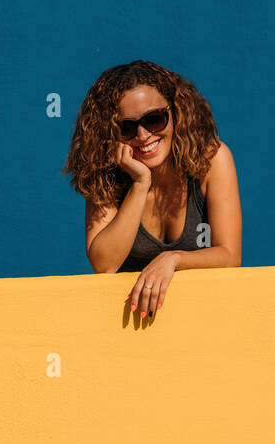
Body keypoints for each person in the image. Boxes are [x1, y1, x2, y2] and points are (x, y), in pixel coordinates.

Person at [63, 60, 242, 320]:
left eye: (154, 119)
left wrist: (172, 259)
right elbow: (104, 264)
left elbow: (230, 256)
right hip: (128, 327)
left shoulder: (212, 160)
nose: (143, 135)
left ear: (176, 112)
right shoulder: (107, 172)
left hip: (202, 321)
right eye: (127, 127)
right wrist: (139, 183)